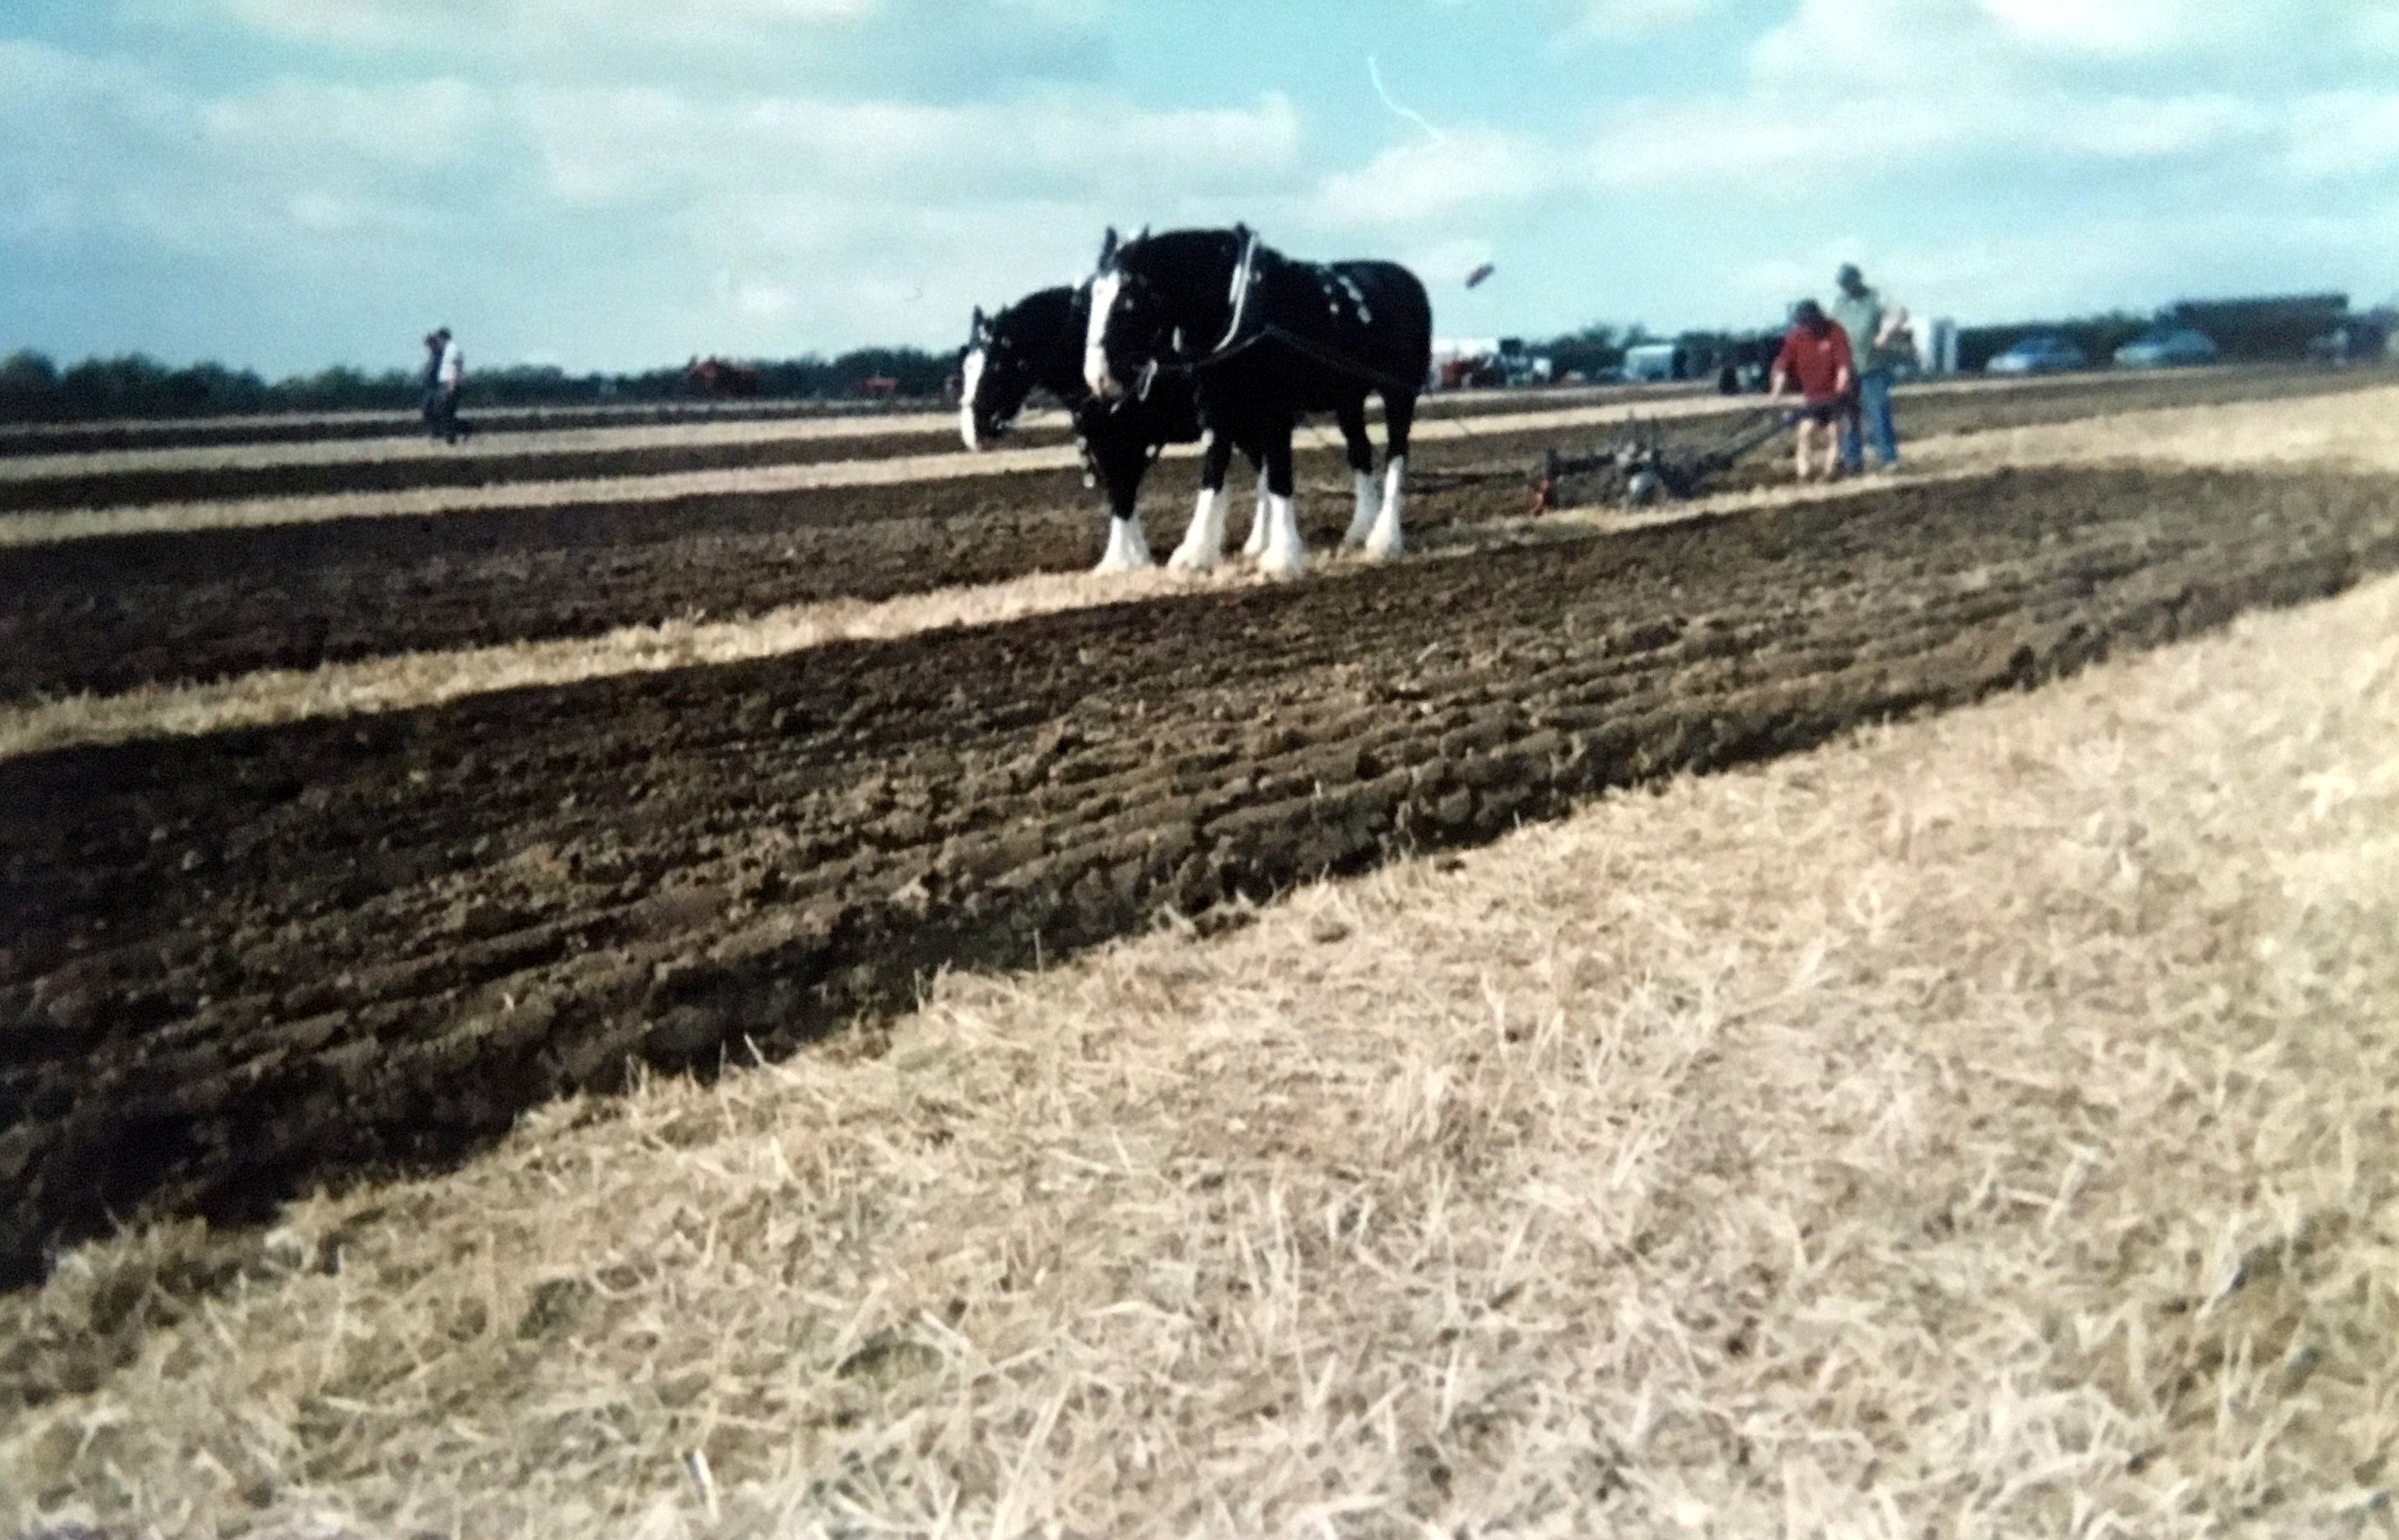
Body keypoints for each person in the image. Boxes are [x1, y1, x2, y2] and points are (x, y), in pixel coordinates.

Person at [1831, 262, 1904, 473]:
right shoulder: (1840, 304)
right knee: (1850, 417)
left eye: (1849, 282)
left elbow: (1898, 313)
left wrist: (1885, 332)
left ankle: (1889, 458)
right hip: (1848, 368)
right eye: (1843, 284)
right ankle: (1853, 460)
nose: (1846, 287)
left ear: (1857, 279)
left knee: (1878, 412)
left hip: (1873, 367)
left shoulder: (1876, 297)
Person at [1770, 299, 1853, 483]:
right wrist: (1776, 393)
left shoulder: (1834, 332)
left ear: (1816, 319)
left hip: (1834, 396)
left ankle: (1831, 472)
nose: (1804, 327)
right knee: (1805, 433)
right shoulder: (1795, 338)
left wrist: (1841, 386)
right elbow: (1783, 366)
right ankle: (1804, 474)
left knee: (1834, 433)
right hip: (1812, 397)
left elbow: (1843, 365)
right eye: (1801, 323)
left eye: (1806, 323)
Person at [424, 327, 466, 444]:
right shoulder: (447, 349)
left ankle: (456, 435)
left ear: (443, 337)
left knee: (446, 412)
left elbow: (456, 367)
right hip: (446, 384)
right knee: (442, 412)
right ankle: (451, 437)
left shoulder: (453, 349)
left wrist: (452, 384)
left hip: (449, 384)